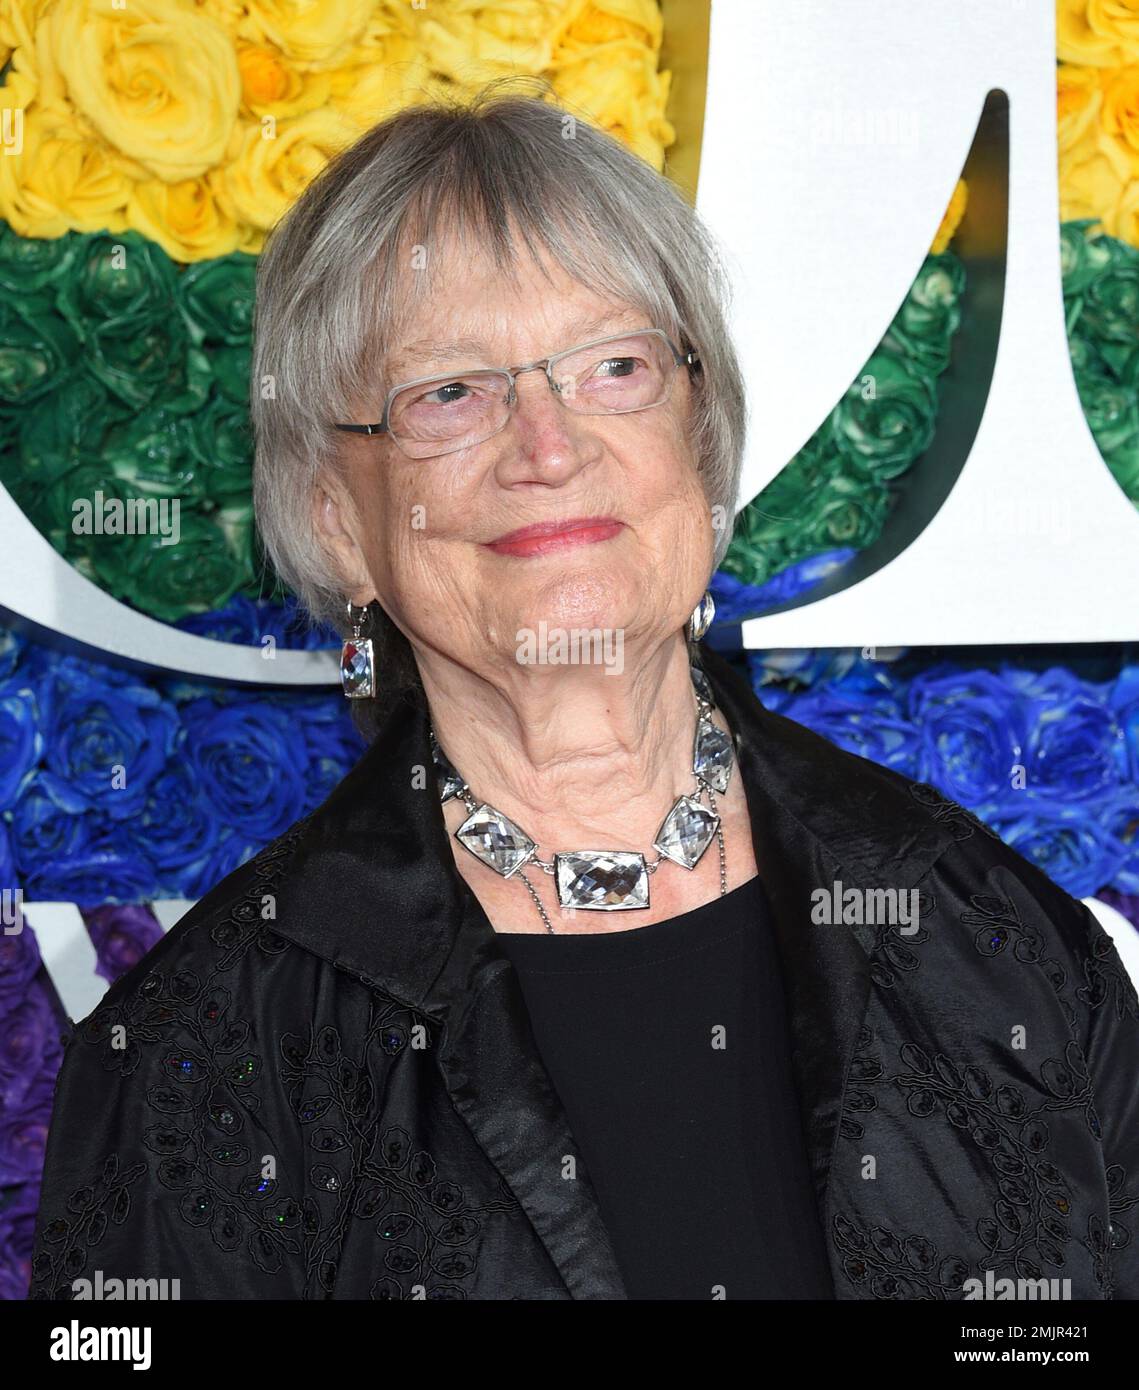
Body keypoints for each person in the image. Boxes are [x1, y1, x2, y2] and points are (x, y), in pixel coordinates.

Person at [28, 86, 1139, 1302]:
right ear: (338, 520)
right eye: (449, 391)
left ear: (698, 446)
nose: (547, 447)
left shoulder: (990, 929)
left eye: (612, 366)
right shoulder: (211, 1045)